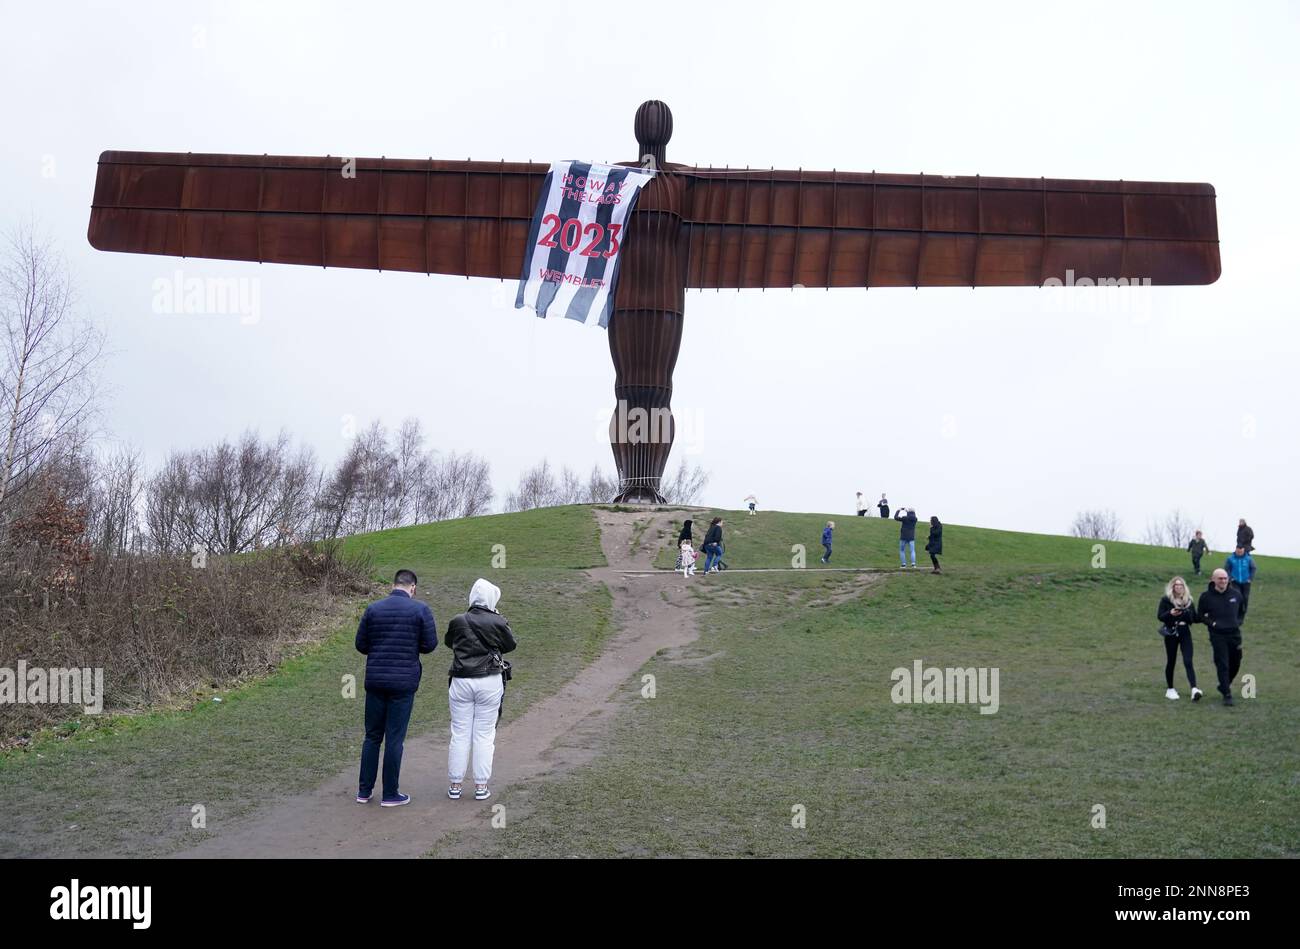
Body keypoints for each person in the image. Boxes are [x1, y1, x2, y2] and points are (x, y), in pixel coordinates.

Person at [355, 569, 437, 807]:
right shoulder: (420, 609)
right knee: (394, 738)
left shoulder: (373, 609)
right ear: (413, 587)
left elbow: (361, 644)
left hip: (376, 680)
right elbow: (429, 645)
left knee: (371, 736)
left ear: (394, 585)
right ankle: (390, 793)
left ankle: (364, 791)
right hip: (403, 683)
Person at [445, 578, 517, 801]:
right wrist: (499, 619)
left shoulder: (458, 620)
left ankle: (455, 784)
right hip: (489, 679)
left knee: (460, 733)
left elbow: (450, 642)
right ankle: (480, 786)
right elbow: (511, 644)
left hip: (461, 680)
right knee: (484, 735)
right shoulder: (497, 621)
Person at [1196, 568, 1246, 706]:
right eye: (1220, 578)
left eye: (1225, 578)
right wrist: (1212, 623)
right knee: (1222, 663)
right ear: (1213, 580)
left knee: (1236, 662)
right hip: (1217, 635)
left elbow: (1242, 610)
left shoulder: (1236, 594)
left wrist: (1238, 622)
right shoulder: (1206, 597)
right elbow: (1200, 615)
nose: (1223, 581)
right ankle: (1227, 694)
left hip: (1234, 634)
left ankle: (1224, 685)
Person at [1157, 576, 1202, 701]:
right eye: (1176, 585)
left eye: (1181, 585)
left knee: (1188, 660)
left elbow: (1193, 618)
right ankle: (1170, 689)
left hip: (1185, 632)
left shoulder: (1189, 601)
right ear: (1172, 587)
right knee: (1171, 661)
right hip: (1172, 632)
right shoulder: (1166, 600)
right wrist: (1170, 613)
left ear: (1184, 587)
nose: (1178, 587)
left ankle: (1194, 688)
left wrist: (1188, 614)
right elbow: (1160, 616)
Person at [1224, 545, 1257, 616]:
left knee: (1245, 596)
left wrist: (1250, 579)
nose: (1239, 552)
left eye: (1241, 551)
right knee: (1237, 595)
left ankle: (1244, 610)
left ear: (1243, 550)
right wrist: (1230, 578)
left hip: (1246, 582)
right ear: (1236, 549)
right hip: (1235, 581)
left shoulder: (1248, 559)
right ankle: (1237, 609)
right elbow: (1227, 569)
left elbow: (1253, 568)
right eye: (1238, 550)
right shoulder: (1230, 558)